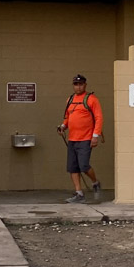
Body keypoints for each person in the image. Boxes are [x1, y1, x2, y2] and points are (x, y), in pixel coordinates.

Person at [56, 73, 103, 203]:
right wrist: (63, 126)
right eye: (76, 84)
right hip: (72, 139)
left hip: (86, 138)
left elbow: (99, 118)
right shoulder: (70, 100)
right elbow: (67, 117)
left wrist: (95, 136)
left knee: (84, 165)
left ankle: (95, 182)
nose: (78, 87)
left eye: (80, 84)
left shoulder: (91, 99)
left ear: (85, 85)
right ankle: (79, 193)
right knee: (73, 167)